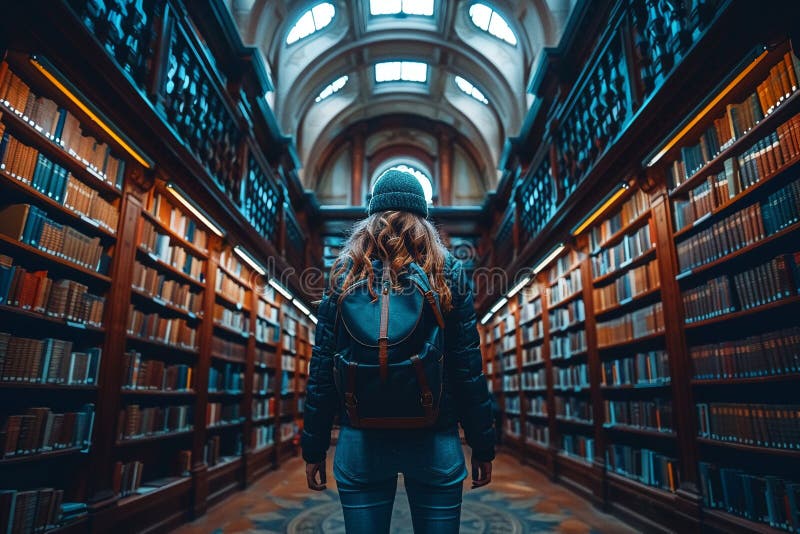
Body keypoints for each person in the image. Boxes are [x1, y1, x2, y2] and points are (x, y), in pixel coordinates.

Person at [301, 169, 495, 533]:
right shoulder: (448, 272)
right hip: (435, 435)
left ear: (371, 217)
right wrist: (483, 444)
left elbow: (323, 366)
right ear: (423, 219)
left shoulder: (344, 273)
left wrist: (313, 447)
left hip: (361, 436)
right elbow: (466, 368)